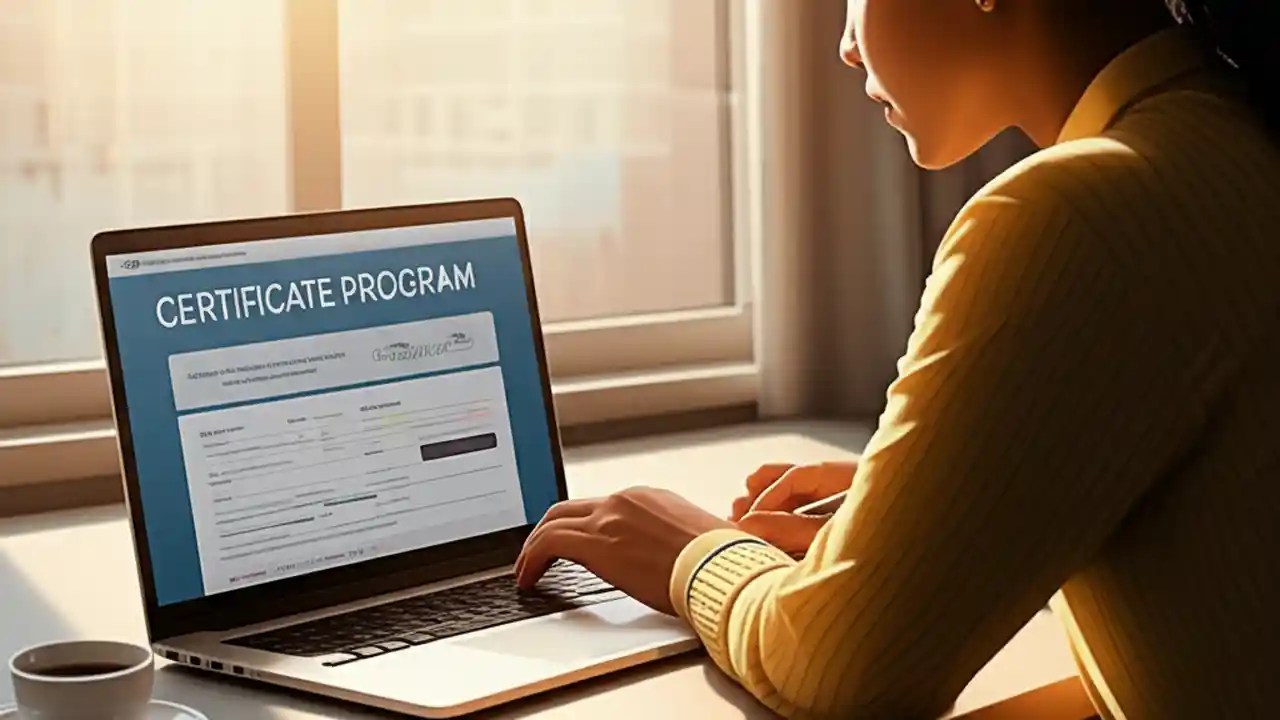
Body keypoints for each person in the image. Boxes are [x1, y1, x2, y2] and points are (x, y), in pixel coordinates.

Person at [515, 0, 1280, 717]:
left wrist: (689, 551)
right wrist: (941, 506)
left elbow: (844, 678)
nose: (846, 47)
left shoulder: (1084, 210)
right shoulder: (1226, 142)